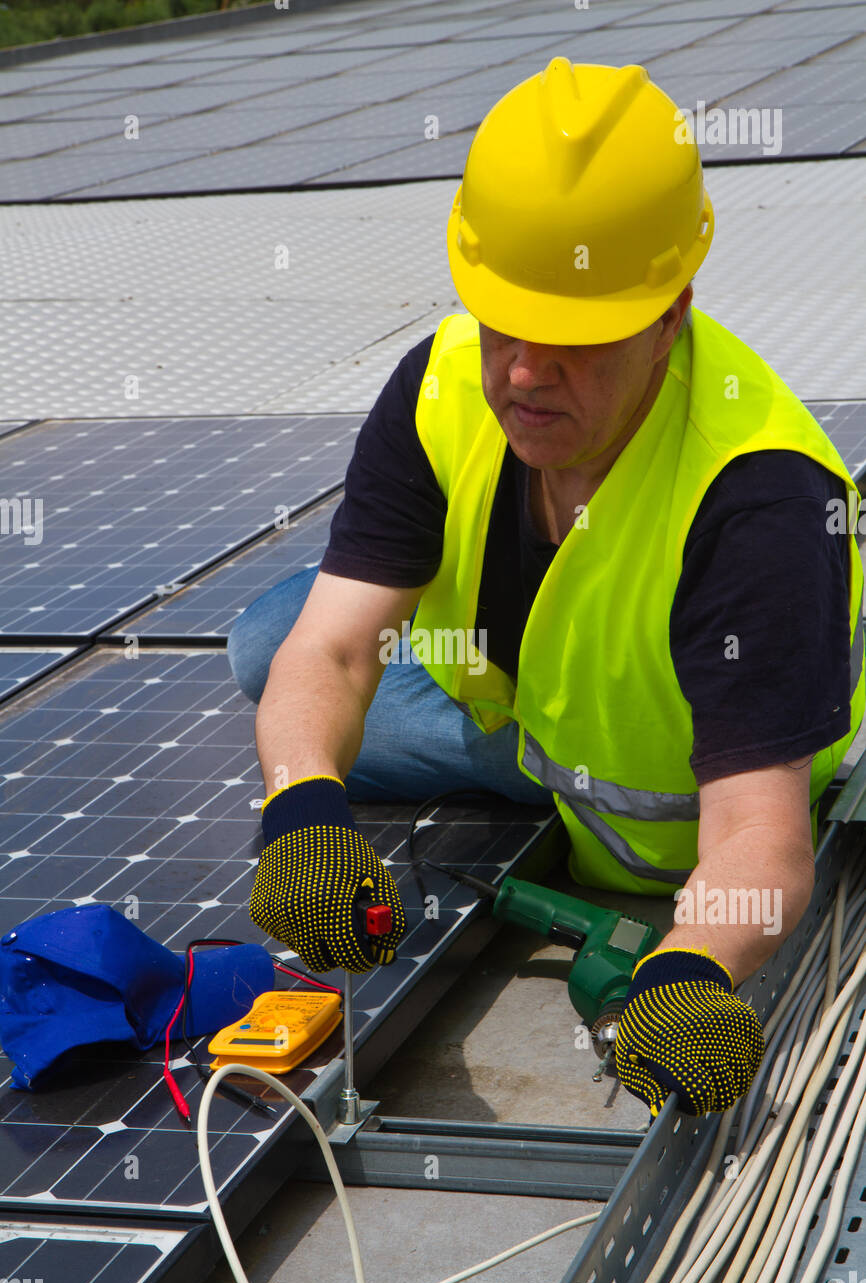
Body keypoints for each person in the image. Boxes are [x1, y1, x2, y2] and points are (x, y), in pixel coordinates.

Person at [229, 59, 864, 1116]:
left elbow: (759, 834)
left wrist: (689, 966)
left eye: (573, 338)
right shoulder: (440, 381)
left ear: (670, 313)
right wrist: (299, 808)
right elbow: (335, 648)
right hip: (541, 723)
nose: (522, 371)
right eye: (503, 321)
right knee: (270, 642)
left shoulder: (758, 500)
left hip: (688, 790)